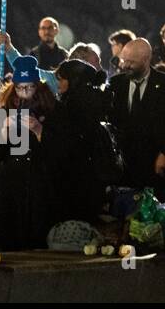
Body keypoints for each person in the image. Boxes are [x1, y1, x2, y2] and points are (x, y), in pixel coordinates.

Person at [106, 38, 165, 203]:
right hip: (127, 168)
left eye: (131, 62)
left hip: (157, 168)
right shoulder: (116, 84)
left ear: (146, 60)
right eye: (123, 60)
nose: (124, 65)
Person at [0, 57, 59, 249]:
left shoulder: (52, 111)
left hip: (39, 185)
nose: (25, 92)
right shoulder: (4, 111)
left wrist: (39, 132)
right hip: (11, 184)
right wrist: (3, 131)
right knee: (9, 237)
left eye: (30, 87)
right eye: (20, 87)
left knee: (35, 237)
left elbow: (59, 152)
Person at [47, 59, 121, 223]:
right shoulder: (95, 98)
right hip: (95, 173)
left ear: (74, 79)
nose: (58, 83)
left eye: (61, 79)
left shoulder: (75, 102)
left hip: (79, 171)